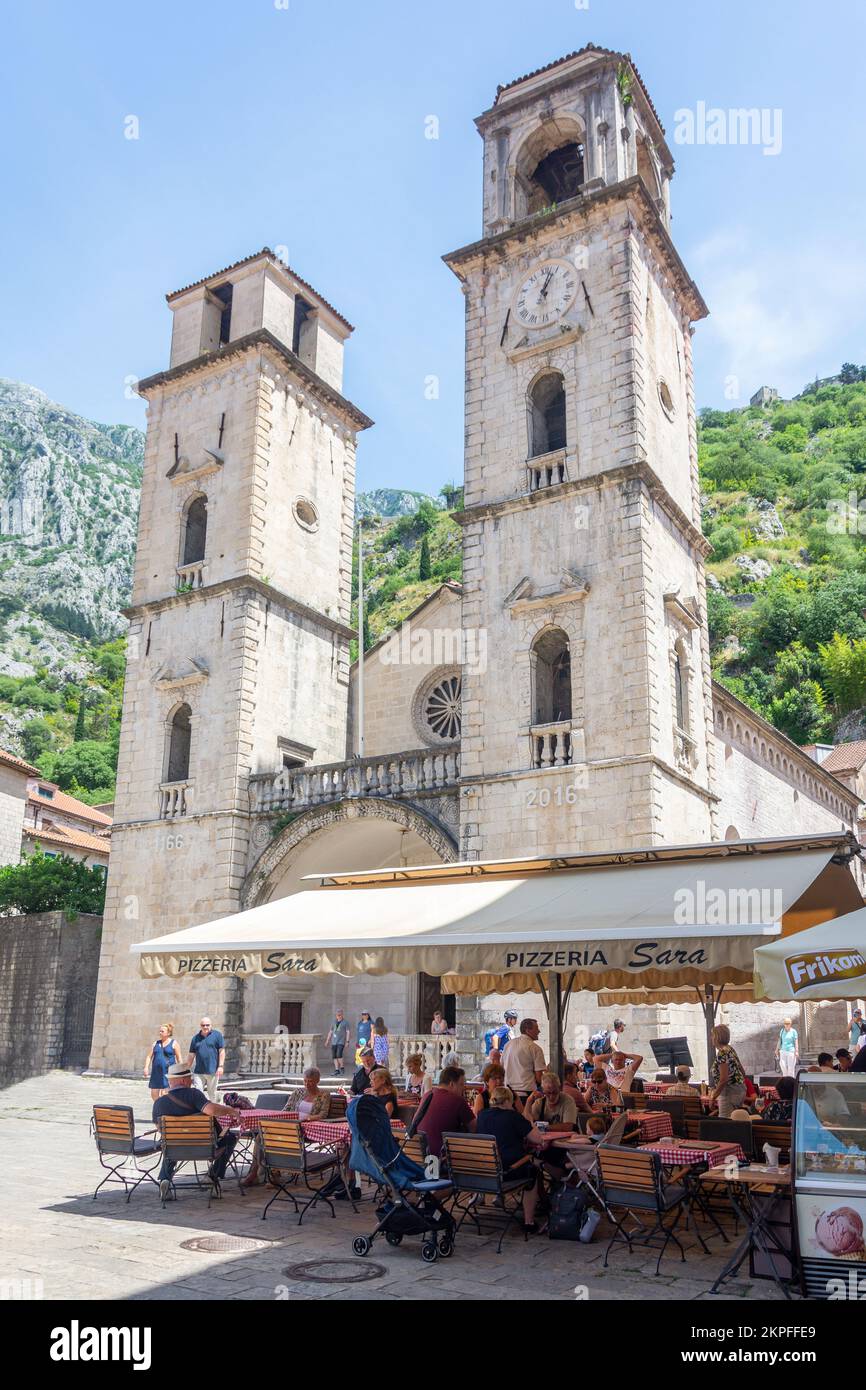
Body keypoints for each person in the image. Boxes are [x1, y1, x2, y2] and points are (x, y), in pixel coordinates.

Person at [152, 1062, 240, 1203]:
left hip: (174, 1149)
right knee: (230, 1138)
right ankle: (212, 1176)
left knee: (169, 1141)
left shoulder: (159, 1103)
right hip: (203, 1148)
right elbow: (211, 1110)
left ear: (171, 1081)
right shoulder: (193, 1094)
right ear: (182, 1080)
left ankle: (165, 1179)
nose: (191, 1080)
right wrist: (231, 1110)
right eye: (189, 1078)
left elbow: (160, 1129)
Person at [476, 1086, 543, 1231]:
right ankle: (529, 1222)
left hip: (482, 1172)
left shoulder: (481, 1115)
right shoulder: (513, 1116)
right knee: (532, 1170)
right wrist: (529, 1122)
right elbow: (538, 1140)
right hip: (506, 1172)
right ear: (507, 1101)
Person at [414, 1065, 476, 1159]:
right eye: (461, 1084)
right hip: (443, 1159)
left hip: (420, 1156)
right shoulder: (458, 1100)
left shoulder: (427, 1095)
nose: (464, 1088)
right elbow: (474, 1128)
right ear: (452, 1084)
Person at [503, 1018, 546, 1100]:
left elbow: (501, 1067)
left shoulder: (508, 1045)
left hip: (507, 1093)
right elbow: (539, 1077)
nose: (539, 1031)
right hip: (526, 1094)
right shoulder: (535, 1048)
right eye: (536, 1028)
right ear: (528, 1030)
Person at [709, 1025, 747, 1118]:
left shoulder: (722, 1053)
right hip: (740, 1090)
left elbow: (724, 1079)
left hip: (728, 1092)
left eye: (712, 1035)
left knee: (725, 1123)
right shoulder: (730, 1049)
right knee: (735, 1120)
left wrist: (713, 1097)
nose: (711, 1038)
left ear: (717, 1037)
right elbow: (742, 1071)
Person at [186, 1017, 225, 1101]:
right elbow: (191, 1055)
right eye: (203, 1025)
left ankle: (215, 1111)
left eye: (207, 1025)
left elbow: (222, 1051)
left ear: (211, 1025)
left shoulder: (217, 1035)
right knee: (197, 1093)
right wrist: (186, 1068)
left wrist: (221, 1066)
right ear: (200, 1026)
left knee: (212, 1094)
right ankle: (200, 1111)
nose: (205, 1027)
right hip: (199, 1072)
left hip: (212, 1071)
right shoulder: (195, 1038)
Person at [144, 1023, 181, 1100]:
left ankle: (165, 1109)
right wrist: (146, 1067)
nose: (160, 1033)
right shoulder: (155, 1043)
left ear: (168, 1033)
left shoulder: (174, 1043)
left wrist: (181, 1071)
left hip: (168, 1072)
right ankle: (159, 1108)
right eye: (160, 1031)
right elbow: (149, 1056)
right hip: (156, 1073)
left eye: (162, 1031)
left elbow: (179, 1058)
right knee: (154, 1094)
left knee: (165, 1094)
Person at [325, 1009, 349, 1076]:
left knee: (339, 1054)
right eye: (338, 1015)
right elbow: (330, 1032)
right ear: (336, 1015)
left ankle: (342, 1067)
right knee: (334, 1056)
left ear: (342, 1015)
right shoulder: (334, 1022)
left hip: (341, 1041)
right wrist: (327, 1040)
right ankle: (336, 1070)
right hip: (334, 1042)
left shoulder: (345, 1022)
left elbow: (348, 1032)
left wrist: (347, 1041)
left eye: (340, 1015)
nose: (339, 1016)